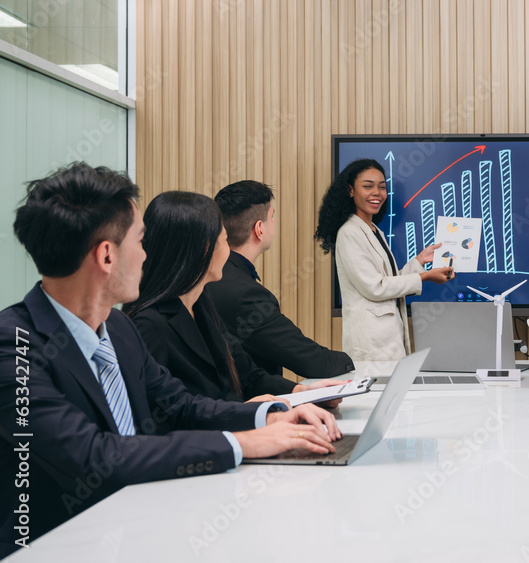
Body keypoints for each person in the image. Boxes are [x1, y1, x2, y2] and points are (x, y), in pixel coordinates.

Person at [0, 164, 341, 555]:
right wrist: (245, 443)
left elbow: (180, 405)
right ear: (107, 256)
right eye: (140, 241)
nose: (147, 255)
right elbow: (95, 456)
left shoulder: (119, 329)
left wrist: (271, 417)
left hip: (146, 524)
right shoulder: (14, 347)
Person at [126, 191, 347, 405]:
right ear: (203, 250)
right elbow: (172, 414)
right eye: (224, 239)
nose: (228, 250)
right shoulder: (148, 325)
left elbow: (249, 376)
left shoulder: (201, 303)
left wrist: (303, 392)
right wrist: (248, 413)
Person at [205, 180, 354, 379]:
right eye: (272, 217)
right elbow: (313, 362)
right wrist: (357, 362)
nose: (273, 222)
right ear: (259, 229)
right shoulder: (246, 295)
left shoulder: (213, 277)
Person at [315, 158, 454, 361]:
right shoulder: (349, 233)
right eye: (367, 186)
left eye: (382, 187)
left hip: (386, 341)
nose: (377, 193)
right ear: (350, 191)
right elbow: (376, 287)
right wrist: (425, 276)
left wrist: (419, 261)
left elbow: (389, 281)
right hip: (371, 344)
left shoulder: (374, 231)